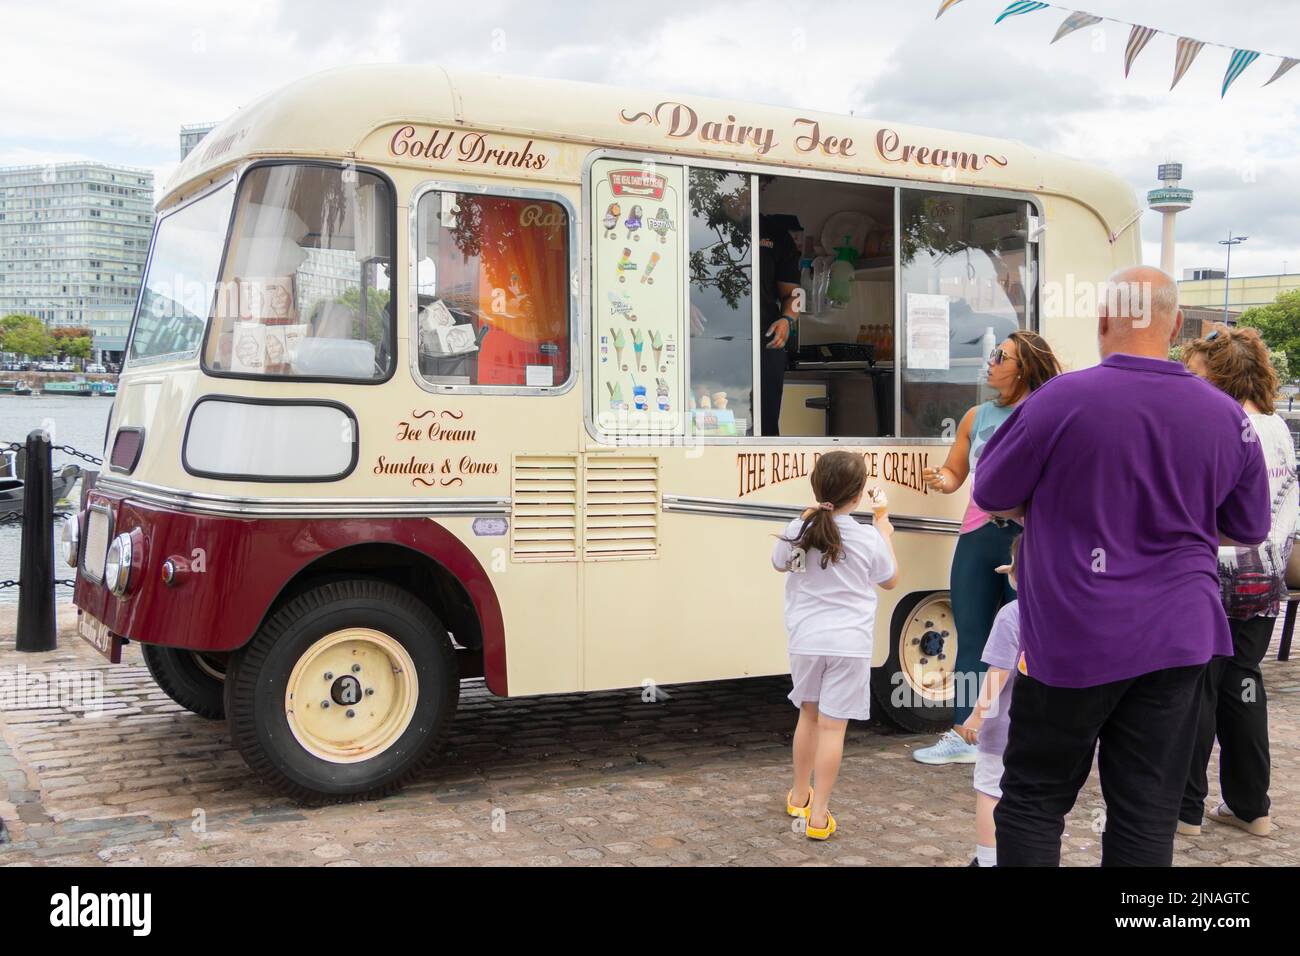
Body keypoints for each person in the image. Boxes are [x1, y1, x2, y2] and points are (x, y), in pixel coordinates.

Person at [973, 266, 1271, 866]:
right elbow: (1248, 526)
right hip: (1179, 639)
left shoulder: (1060, 399)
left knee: (1034, 798)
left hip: (1073, 634)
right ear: (1176, 324)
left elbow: (992, 490)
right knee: (1145, 814)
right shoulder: (1226, 417)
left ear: (1103, 319)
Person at [913, 330, 1062, 765]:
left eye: (1000, 356)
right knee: (972, 634)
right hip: (978, 533)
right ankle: (964, 732)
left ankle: (1023, 734)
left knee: (1028, 639)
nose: (990, 362)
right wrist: (940, 480)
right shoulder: (975, 416)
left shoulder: (1046, 413)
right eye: (992, 355)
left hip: (1028, 536)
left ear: (1025, 366)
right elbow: (954, 475)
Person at [1178, 325, 1295, 838]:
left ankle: (1185, 810)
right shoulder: (1278, 428)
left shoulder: (1219, 424)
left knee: (1198, 689)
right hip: (1265, 576)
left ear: (1220, 374)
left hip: (1216, 570)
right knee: (1244, 682)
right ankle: (1253, 808)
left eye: (1198, 372)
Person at [771, 450, 899, 840]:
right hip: (850, 643)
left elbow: (779, 563)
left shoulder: (799, 528)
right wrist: (884, 526)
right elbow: (890, 579)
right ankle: (819, 816)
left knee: (807, 717)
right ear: (859, 494)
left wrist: (805, 517)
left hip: (807, 640)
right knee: (832, 728)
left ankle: (797, 795)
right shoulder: (866, 536)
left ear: (816, 486)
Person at [955, 534, 1022, 867]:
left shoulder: (1011, 615)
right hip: (1052, 728)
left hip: (1004, 730)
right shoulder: (1066, 610)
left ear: (1012, 576)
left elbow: (999, 674)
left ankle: (987, 859)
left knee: (989, 792)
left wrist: (977, 716)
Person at [756, 207, 802, 436]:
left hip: (767, 341)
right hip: (713, 336)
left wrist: (787, 320)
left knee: (765, 425)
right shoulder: (701, 223)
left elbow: (796, 295)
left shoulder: (775, 234)